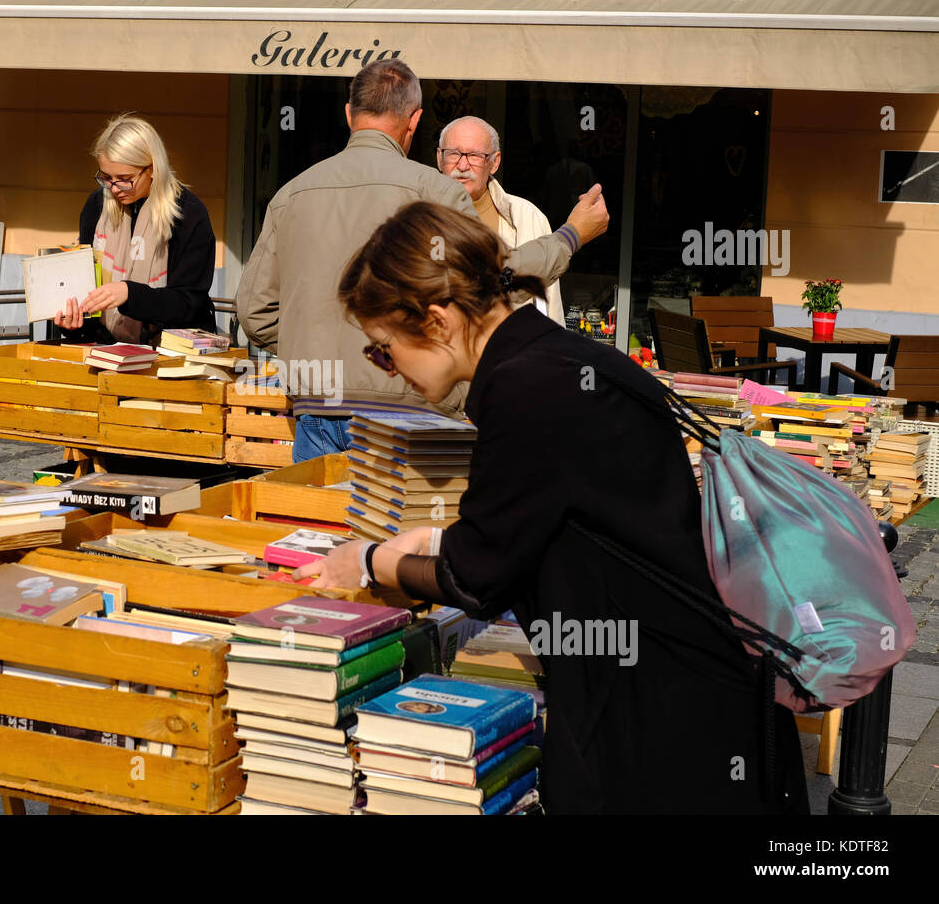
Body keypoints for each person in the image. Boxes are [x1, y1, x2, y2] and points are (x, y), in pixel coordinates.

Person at [296, 201, 810, 815]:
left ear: (435, 321)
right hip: (688, 688)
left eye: (383, 349)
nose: (388, 369)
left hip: (652, 721)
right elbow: (550, 518)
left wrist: (368, 562)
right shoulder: (560, 358)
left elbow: (475, 577)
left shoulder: (522, 387)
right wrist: (436, 540)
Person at [236, 58, 608, 462]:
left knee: (321, 523)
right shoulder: (435, 192)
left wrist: (314, 350)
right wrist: (570, 236)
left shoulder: (292, 194)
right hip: (405, 409)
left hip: (317, 406)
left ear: (349, 114)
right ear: (413, 120)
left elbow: (254, 311)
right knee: (400, 525)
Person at [55, 114, 216, 344]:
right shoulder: (97, 206)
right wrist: (74, 322)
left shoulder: (187, 213)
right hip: (105, 348)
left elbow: (189, 303)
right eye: (106, 178)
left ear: (152, 168)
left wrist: (129, 293)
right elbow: (87, 288)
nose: (114, 188)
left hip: (172, 354)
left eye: (125, 178)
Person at [437, 115, 566, 326]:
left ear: (494, 162)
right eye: (453, 154)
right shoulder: (416, 216)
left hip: (510, 352)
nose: (462, 164)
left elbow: (549, 306)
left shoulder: (527, 216)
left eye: (474, 155)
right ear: (439, 159)